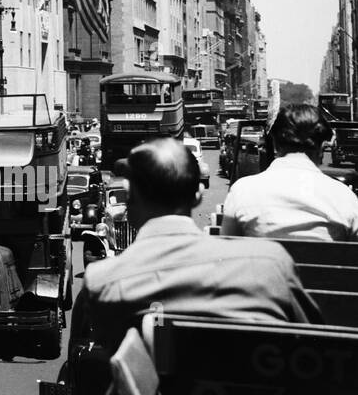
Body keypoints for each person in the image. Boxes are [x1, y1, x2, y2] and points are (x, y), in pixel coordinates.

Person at [71, 138, 322, 361]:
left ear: (131, 198)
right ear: (198, 195)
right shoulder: (270, 264)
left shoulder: (102, 282)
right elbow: (317, 347)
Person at [221, 104, 358, 242]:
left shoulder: (242, 190)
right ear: (322, 147)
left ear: (275, 144)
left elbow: (228, 251)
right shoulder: (345, 197)